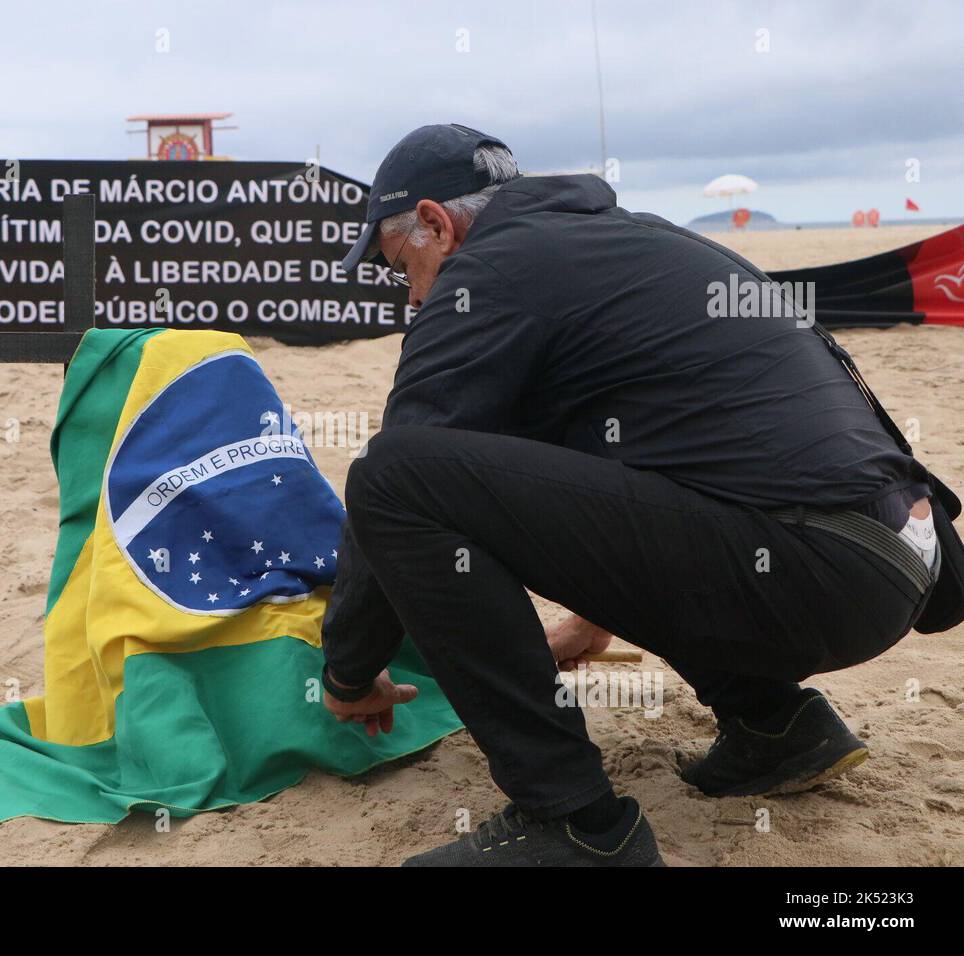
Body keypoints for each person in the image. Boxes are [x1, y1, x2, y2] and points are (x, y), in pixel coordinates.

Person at [319, 124, 942, 867]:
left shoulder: (493, 271)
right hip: (893, 559)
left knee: (394, 474)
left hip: (813, 565)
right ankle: (774, 726)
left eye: (403, 270)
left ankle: (575, 825)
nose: (414, 296)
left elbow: (402, 470)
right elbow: (634, 458)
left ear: (434, 222)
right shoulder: (629, 241)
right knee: (498, 450)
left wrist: (348, 671)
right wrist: (594, 610)